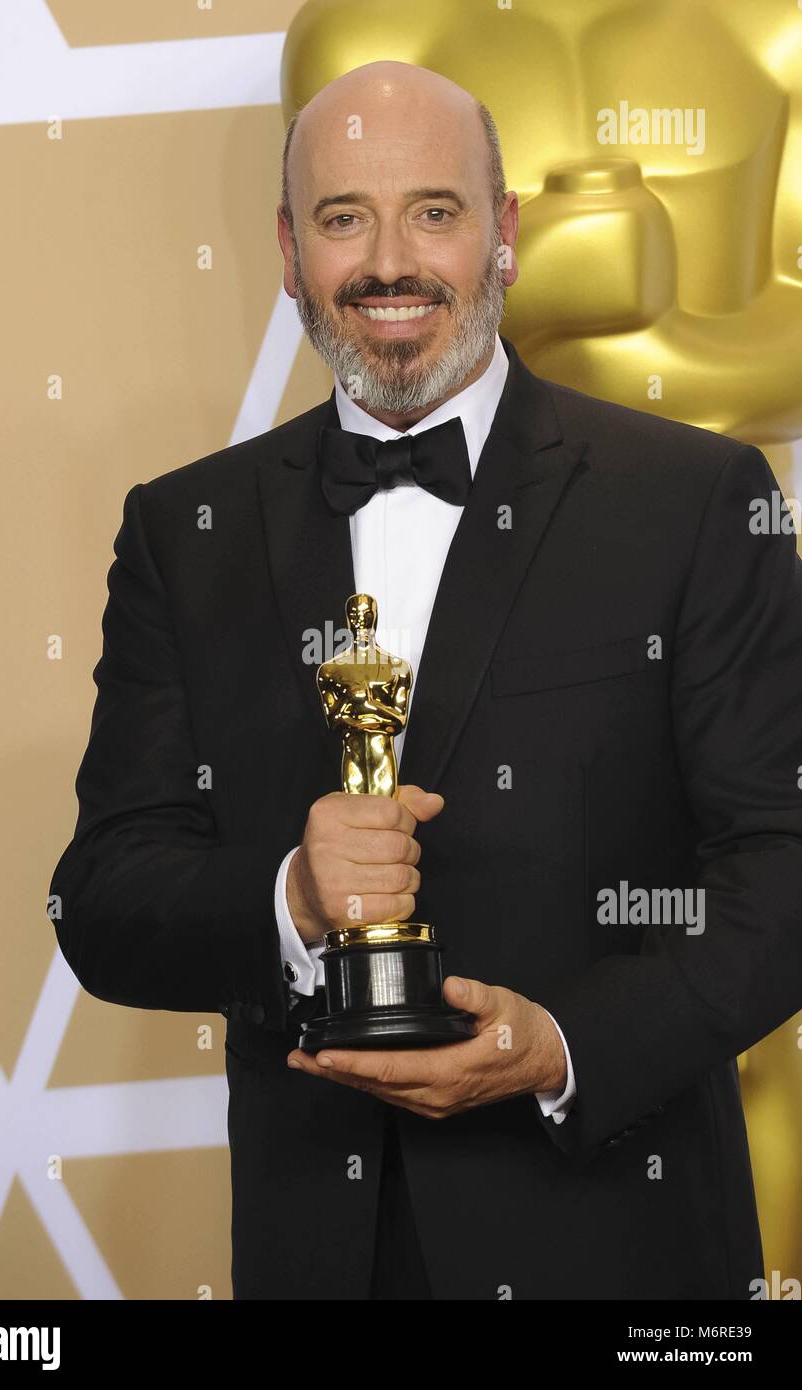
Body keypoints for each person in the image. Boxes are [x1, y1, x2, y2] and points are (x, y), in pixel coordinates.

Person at [50, 60, 802, 1299]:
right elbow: (100, 897)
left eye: (434, 211)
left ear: (502, 235)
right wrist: (288, 893)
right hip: (318, 1259)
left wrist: (562, 1045)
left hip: (620, 1254)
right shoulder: (185, 531)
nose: (388, 262)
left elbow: (784, 862)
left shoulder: (690, 500)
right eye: (344, 217)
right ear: (289, 253)